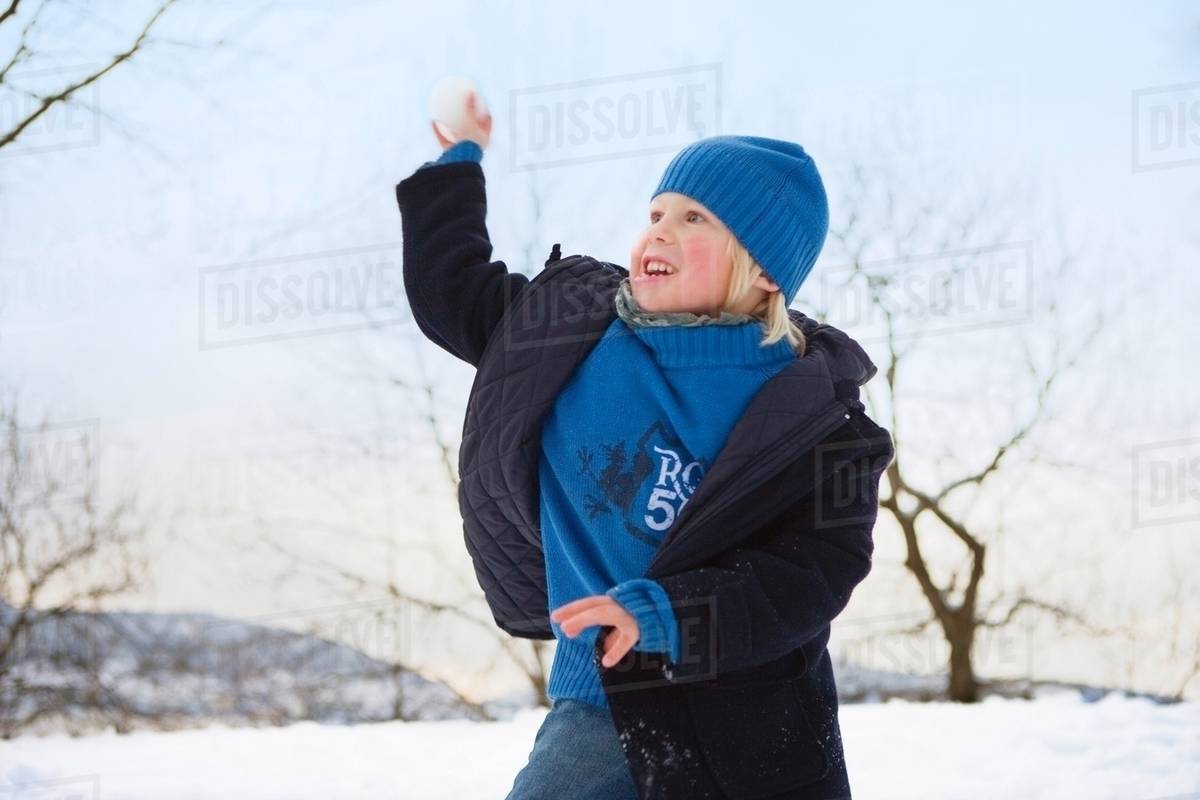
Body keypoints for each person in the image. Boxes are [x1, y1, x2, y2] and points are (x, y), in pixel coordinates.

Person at [396, 92, 894, 800]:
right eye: (656, 213)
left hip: (750, 727)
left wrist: (669, 613)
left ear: (765, 270)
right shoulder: (565, 332)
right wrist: (460, 155)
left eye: (694, 218)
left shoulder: (821, 420)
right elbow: (449, 289)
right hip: (603, 697)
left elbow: (812, 573)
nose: (659, 231)